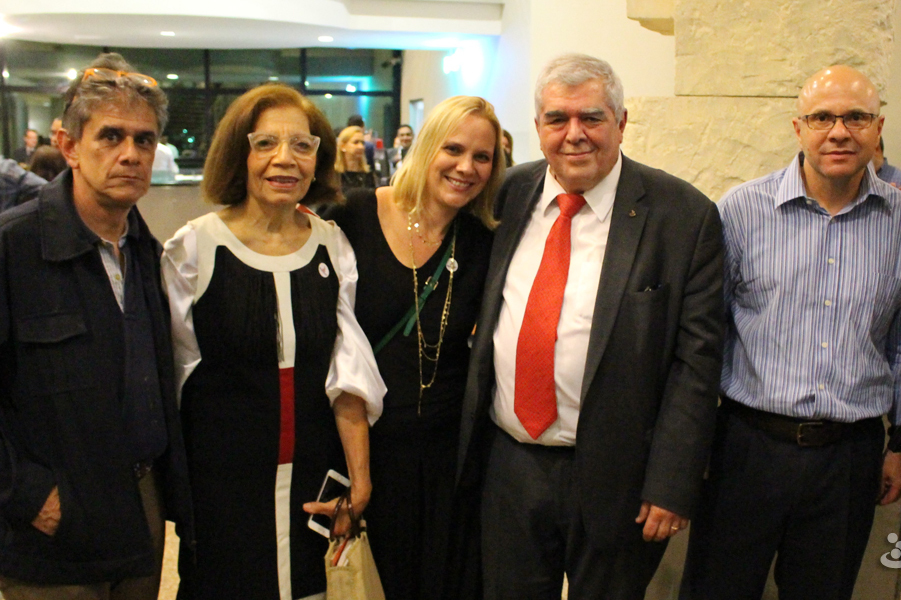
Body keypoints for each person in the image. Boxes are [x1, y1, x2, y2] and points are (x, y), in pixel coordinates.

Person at [457, 53, 724, 599]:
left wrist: (672, 483)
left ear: (621, 123)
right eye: (557, 119)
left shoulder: (683, 217)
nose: (573, 134)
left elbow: (696, 364)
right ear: (537, 129)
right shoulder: (507, 194)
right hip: (509, 463)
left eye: (592, 118)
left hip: (618, 475)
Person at [681, 65, 901, 600]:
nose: (839, 131)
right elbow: (704, 335)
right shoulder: (741, 211)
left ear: (878, 126)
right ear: (798, 127)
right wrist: (692, 441)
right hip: (746, 447)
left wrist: (900, 444)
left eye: (856, 117)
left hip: (850, 456)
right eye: (822, 117)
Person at [161, 83, 386, 600]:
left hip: (312, 481)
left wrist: (359, 480)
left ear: (318, 159)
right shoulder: (196, 247)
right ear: (238, 153)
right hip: (222, 489)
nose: (284, 159)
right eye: (265, 144)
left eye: (302, 146)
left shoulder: (332, 245)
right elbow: (169, 378)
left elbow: (346, 373)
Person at [0, 52, 193, 600]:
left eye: (144, 140)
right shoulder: (14, 246)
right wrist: (27, 492)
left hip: (138, 510)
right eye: (111, 136)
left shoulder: (148, 251)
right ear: (69, 147)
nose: (130, 154)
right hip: (52, 532)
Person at [323, 95, 503, 600]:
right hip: (367, 446)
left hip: (449, 457)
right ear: (426, 147)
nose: (466, 167)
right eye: (454, 149)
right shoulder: (355, 216)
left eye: (483, 157)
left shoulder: (483, 240)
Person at [334, 125, 377, 195]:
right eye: (356, 142)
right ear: (342, 146)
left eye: (362, 143)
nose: (361, 147)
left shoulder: (368, 174)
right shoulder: (334, 175)